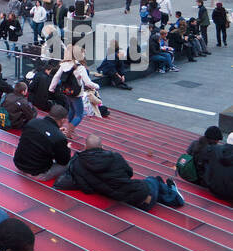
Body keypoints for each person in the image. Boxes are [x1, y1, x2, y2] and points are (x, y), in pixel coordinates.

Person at [55, 135, 184, 208]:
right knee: (152, 179)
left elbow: (86, 187)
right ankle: (174, 196)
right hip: (139, 196)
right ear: (102, 147)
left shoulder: (77, 162)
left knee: (155, 183)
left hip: (118, 195)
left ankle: (167, 189)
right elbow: (129, 173)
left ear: (85, 147)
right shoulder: (114, 157)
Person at [13, 105, 72, 180]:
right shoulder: (59, 138)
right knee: (70, 163)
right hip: (37, 172)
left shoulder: (32, 122)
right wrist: (67, 148)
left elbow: (42, 134)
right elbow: (63, 161)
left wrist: (57, 132)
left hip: (19, 163)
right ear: (63, 120)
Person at [50, 45, 101, 126]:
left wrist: (51, 88)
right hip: (76, 93)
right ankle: (69, 130)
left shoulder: (64, 64)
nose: (84, 55)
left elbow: (56, 76)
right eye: (83, 53)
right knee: (79, 115)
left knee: (72, 109)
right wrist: (97, 86)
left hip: (66, 91)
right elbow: (87, 83)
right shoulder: (80, 67)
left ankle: (68, 126)